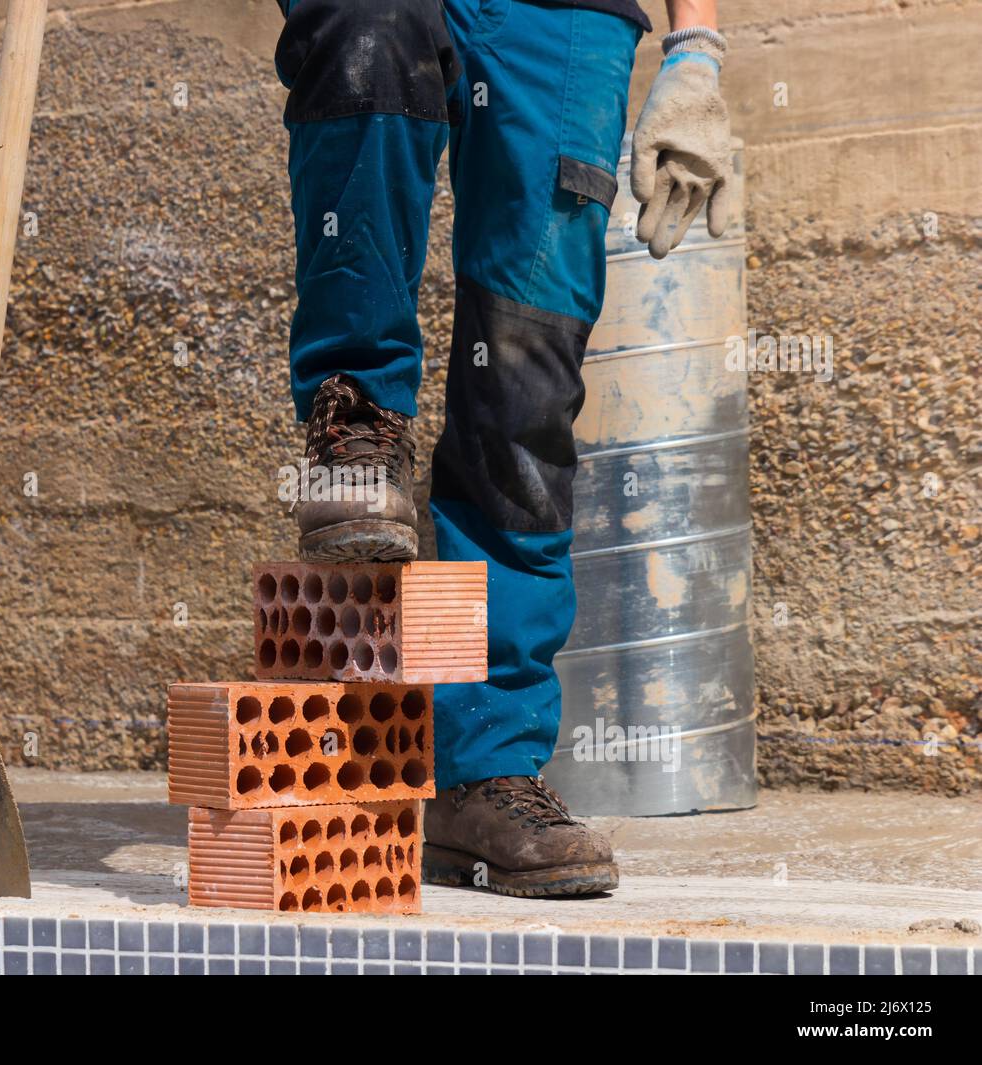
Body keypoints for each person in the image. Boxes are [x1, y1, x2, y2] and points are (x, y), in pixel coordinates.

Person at [275, 0, 732, 896]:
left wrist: (696, 47)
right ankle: (356, 419)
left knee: (523, 376)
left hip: (563, 15)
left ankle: (482, 768)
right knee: (369, 37)